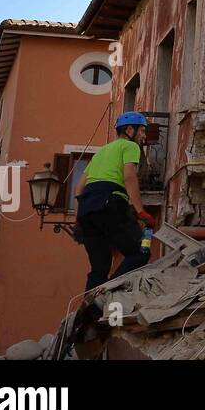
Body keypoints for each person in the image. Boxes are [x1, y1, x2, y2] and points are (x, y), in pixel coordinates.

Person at [76, 111, 155, 291]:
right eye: (142, 131)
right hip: (110, 203)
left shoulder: (101, 152)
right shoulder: (130, 146)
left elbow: (78, 189)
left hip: (86, 209)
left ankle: (88, 311)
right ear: (129, 130)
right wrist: (140, 211)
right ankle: (108, 291)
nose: (143, 136)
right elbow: (129, 177)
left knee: (99, 268)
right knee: (139, 253)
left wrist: (78, 219)